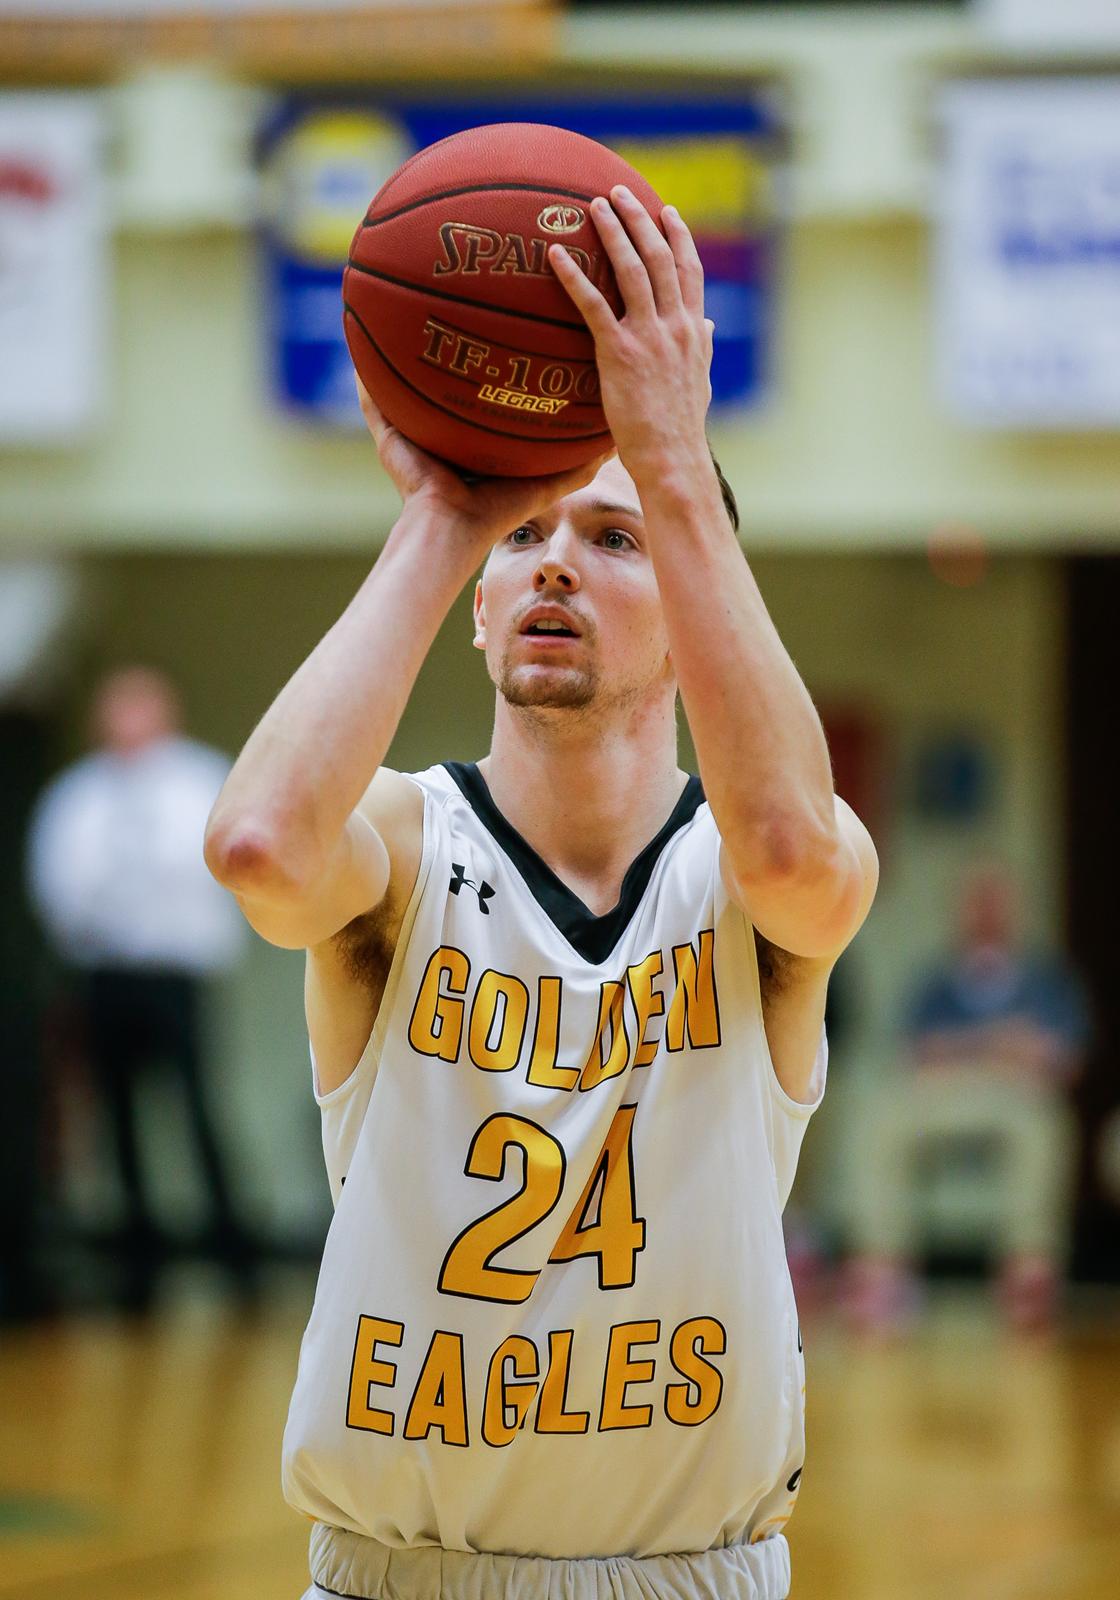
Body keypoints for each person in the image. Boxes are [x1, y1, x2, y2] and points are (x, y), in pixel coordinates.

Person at [206, 187, 878, 1600]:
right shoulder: (396, 843)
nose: (557, 558)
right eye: (529, 535)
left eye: (616, 536)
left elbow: (795, 856)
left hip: (689, 1574)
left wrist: (677, 462)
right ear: (477, 598)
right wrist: (451, 510)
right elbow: (261, 847)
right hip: (400, 1574)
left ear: (697, 606)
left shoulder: (760, 873)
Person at [28, 665, 252, 1309]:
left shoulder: (201, 779)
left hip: (178, 976)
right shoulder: (78, 795)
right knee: (118, 1119)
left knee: (200, 1111)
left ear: (165, 712)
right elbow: (59, 889)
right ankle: (138, 1261)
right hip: (104, 975)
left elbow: (223, 872)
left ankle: (232, 1251)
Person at [847, 861, 1089, 1332]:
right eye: (976, 903)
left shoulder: (1046, 981)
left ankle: (1028, 1269)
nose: (985, 913)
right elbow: (915, 1055)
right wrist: (1000, 1042)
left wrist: (975, 1049)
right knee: (881, 1116)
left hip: (1015, 1101)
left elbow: (1064, 1061)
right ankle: (881, 1267)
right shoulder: (934, 984)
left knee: (1044, 1121)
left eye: (995, 903)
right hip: (941, 1101)